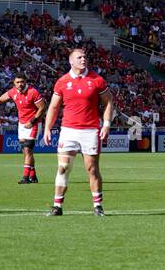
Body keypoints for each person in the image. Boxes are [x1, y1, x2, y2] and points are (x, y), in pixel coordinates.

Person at [42, 48, 113, 217]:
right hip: (68, 130)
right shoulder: (62, 82)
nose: (83, 59)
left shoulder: (97, 80)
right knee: (63, 167)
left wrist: (107, 124)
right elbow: (53, 107)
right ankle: (57, 206)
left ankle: (98, 206)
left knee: (92, 168)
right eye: (79, 57)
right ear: (71, 61)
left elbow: (109, 102)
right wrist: (47, 129)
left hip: (90, 130)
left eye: (84, 56)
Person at [0, 76, 47, 184]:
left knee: (28, 150)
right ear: (14, 83)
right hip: (22, 124)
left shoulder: (33, 92)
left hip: (33, 124)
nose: (20, 84)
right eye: (18, 82)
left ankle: (25, 177)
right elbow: (0, 99)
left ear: (26, 82)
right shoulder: (13, 92)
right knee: (25, 151)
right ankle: (33, 176)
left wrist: (32, 121)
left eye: (22, 82)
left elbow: (42, 108)